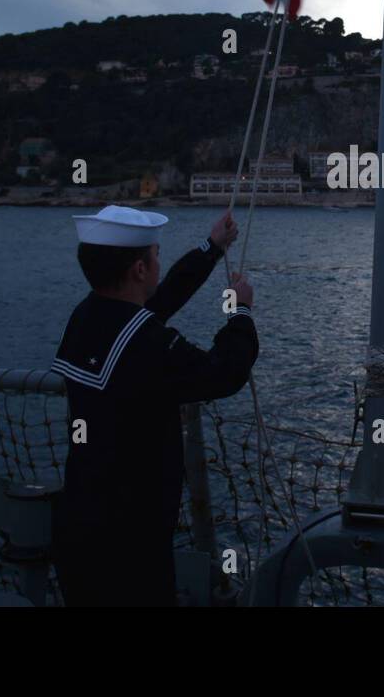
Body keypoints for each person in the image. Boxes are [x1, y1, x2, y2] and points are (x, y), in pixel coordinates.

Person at [51, 205, 257, 606]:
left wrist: (211, 247)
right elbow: (224, 372)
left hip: (78, 524)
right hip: (130, 541)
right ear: (140, 270)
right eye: (156, 255)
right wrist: (242, 312)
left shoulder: (86, 316)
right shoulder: (148, 344)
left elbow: (160, 299)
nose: (160, 262)